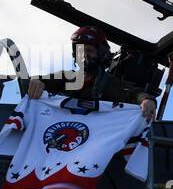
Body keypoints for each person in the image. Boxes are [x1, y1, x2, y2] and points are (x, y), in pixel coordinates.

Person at [27, 25, 156, 121]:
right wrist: (37, 82)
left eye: (89, 50)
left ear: (101, 53)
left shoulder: (107, 83)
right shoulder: (66, 77)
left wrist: (146, 100)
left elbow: (131, 94)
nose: (84, 55)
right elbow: (37, 81)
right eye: (80, 51)